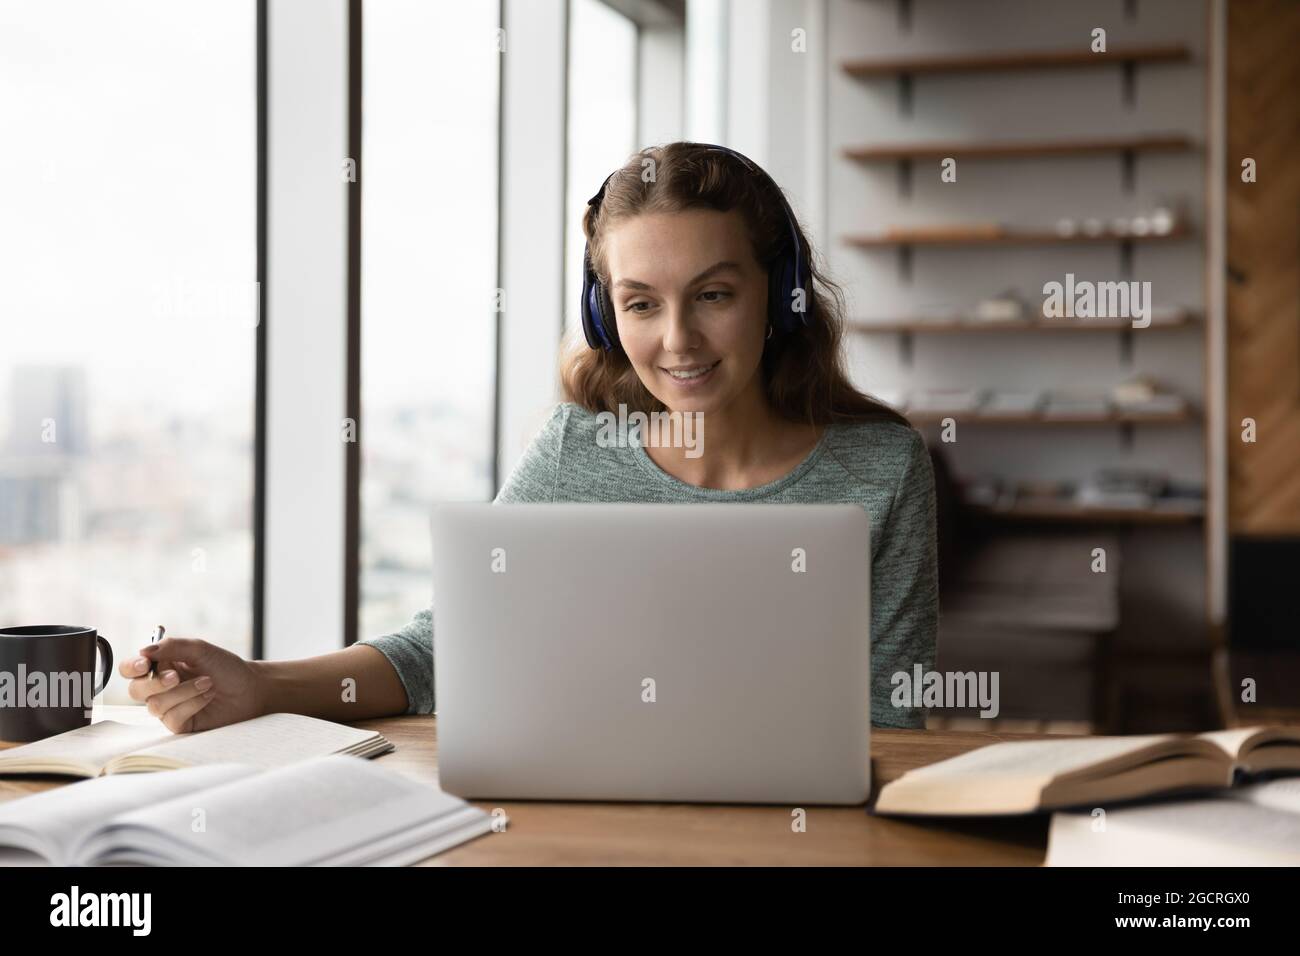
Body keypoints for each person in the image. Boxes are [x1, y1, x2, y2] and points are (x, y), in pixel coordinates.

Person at [122, 141, 938, 733]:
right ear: (605, 314)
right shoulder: (575, 450)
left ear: (781, 293)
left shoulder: (883, 470)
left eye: (714, 294)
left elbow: (889, 718)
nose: (679, 339)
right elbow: (444, 651)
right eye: (642, 303)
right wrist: (260, 685)